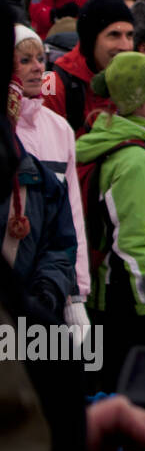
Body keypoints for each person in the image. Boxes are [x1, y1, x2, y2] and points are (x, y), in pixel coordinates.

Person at [75, 52, 145, 392]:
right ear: (134, 102)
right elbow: (132, 243)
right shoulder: (135, 158)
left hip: (133, 298)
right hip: (132, 304)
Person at [12, 26, 91, 332]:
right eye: (24, 60)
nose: (37, 67)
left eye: (41, 58)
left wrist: (76, 296)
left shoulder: (59, 129)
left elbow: (71, 216)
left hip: (50, 287)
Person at [44, 0, 135, 136]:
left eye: (129, 36)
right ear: (91, 40)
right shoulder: (55, 85)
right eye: (114, 35)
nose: (125, 46)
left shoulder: (135, 79)